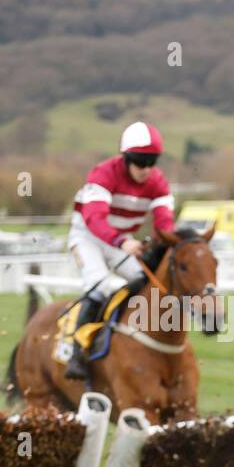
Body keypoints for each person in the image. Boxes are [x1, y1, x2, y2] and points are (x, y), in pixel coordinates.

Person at [64, 121, 175, 379]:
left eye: (152, 162)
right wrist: (122, 242)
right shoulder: (103, 174)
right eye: (139, 162)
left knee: (144, 281)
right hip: (88, 238)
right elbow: (94, 219)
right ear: (125, 158)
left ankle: (137, 341)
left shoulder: (158, 182)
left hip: (120, 240)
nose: (146, 169)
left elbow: (165, 223)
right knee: (101, 285)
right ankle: (76, 352)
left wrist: (163, 243)